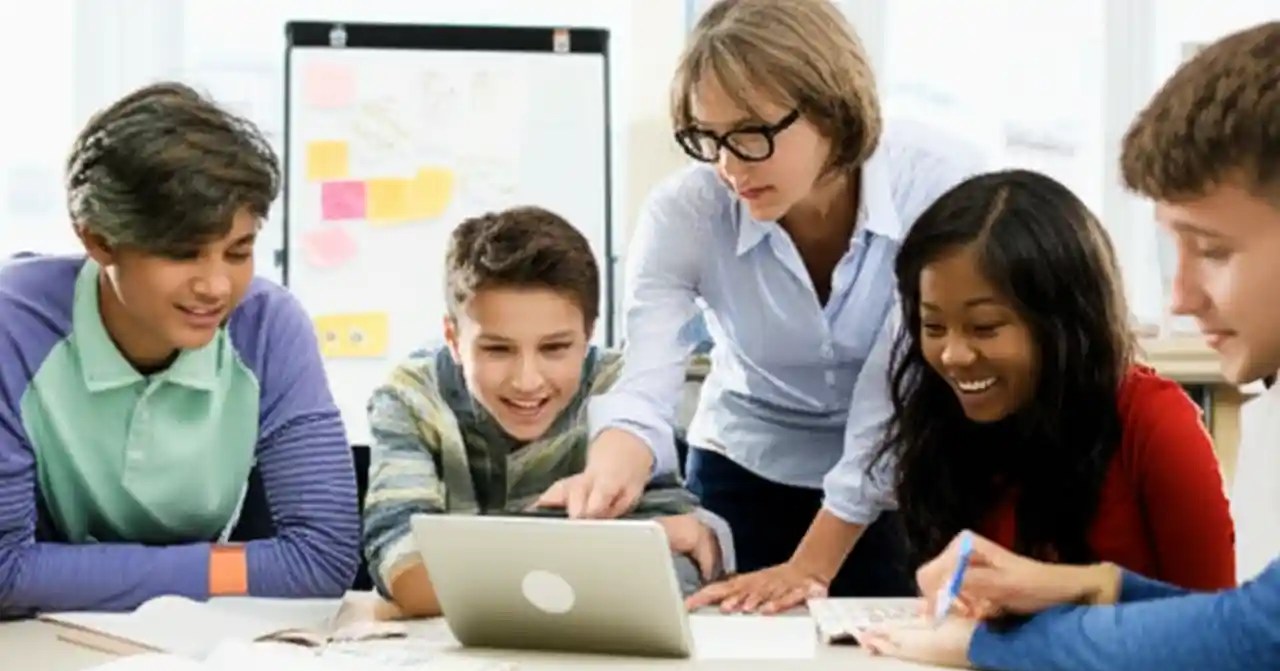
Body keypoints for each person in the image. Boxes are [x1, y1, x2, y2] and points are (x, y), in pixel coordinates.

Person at [856, 21, 1280, 671]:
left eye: (1214, 251)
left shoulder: (1151, 416)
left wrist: (985, 647)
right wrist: (1091, 585)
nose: (1179, 296)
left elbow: (1256, 642)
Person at [553, 0, 984, 611]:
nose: (729, 166)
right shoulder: (686, 212)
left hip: (903, 470)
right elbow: (646, 376)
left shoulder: (940, 186)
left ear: (831, 108)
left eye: (752, 134)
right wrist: (615, 460)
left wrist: (812, 565)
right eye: (709, 138)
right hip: (748, 463)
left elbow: (896, 389)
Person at [0, 82, 360, 616]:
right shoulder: (12, 328)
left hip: (210, 650)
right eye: (182, 254)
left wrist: (62, 571)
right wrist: (238, 567)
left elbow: (321, 560)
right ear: (98, 240)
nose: (216, 286)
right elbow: (5, 574)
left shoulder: (268, 325)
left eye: (238, 252)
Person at [870, 168, 1235, 591]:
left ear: (1063, 323)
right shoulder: (942, 423)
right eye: (933, 327)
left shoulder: (1154, 422)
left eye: (985, 327)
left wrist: (1065, 593)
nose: (953, 355)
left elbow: (1214, 623)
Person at [360, 207, 735, 618]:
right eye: (497, 349)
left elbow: (675, 572)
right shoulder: (410, 398)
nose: (527, 381)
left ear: (588, 334)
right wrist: (628, 545)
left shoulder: (622, 395)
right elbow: (406, 572)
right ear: (452, 338)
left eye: (555, 348)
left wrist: (466, 570)